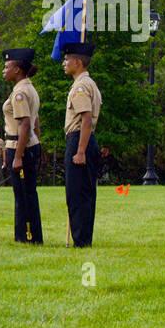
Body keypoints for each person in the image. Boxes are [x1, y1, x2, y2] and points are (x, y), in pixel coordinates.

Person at [61, 41, 102, 248]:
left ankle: (81, 240)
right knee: (84, 192)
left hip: (80, 139)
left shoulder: (80, 87)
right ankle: (83, 238)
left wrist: (80, 151)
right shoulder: (89, 83)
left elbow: (85, 119)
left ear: (78, 62)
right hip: (85, 139)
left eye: (67, 59)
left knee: (77, 193)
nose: (64, 63)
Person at [0, 47, 43, 244]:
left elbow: (25, 123)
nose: (4, 70)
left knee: (24, 195)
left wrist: (18, 156)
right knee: (26, 193)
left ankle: (27, 236)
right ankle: (28, 236)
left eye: (7, 67)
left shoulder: (20, 93)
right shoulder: (28, 88)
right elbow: (36, 122)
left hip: (19, 146)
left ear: (17, 70)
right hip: (29, 145)